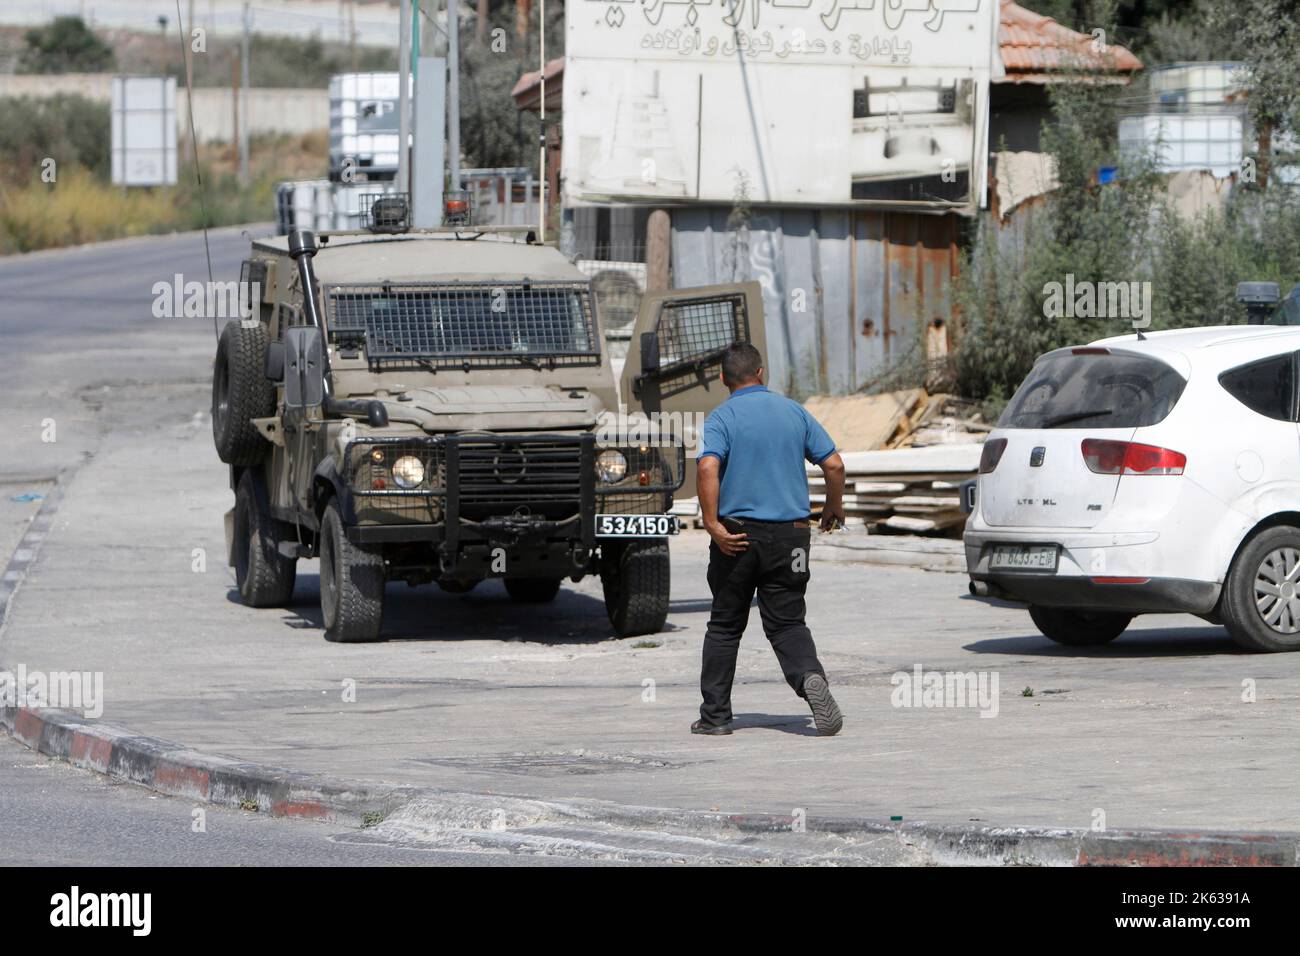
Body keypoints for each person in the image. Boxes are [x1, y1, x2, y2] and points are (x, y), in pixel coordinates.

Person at [692, 342, 847, 737]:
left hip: (737, 537)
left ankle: (715, 718)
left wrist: (712, 523)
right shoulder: (793, 411)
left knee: (725, 626)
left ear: (724, 379)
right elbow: (834, 464)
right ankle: (809, 676)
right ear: (762, 373)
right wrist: (833, 508)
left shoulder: (721, 417)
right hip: (792, 537)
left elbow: (708, 466)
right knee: (788, 622)